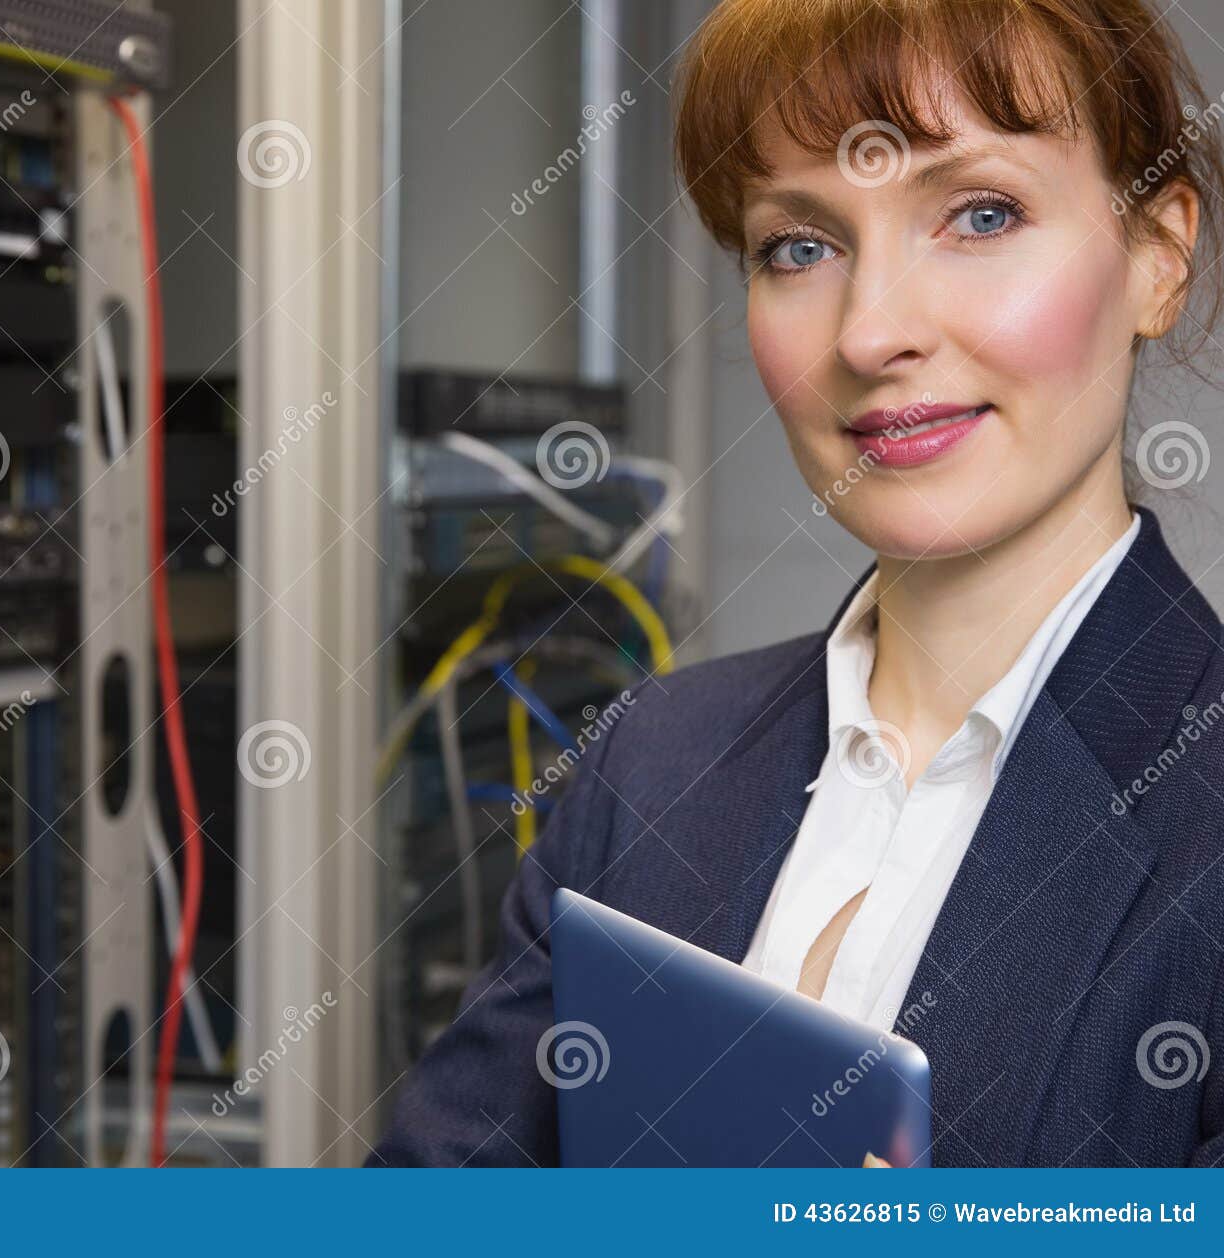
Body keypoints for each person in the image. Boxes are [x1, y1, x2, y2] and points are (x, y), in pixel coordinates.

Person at [369, 0, 1224, 1167]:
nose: (869, 333)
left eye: (979, 213)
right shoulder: (654, 761)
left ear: (1156, 258)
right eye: (799, 247)